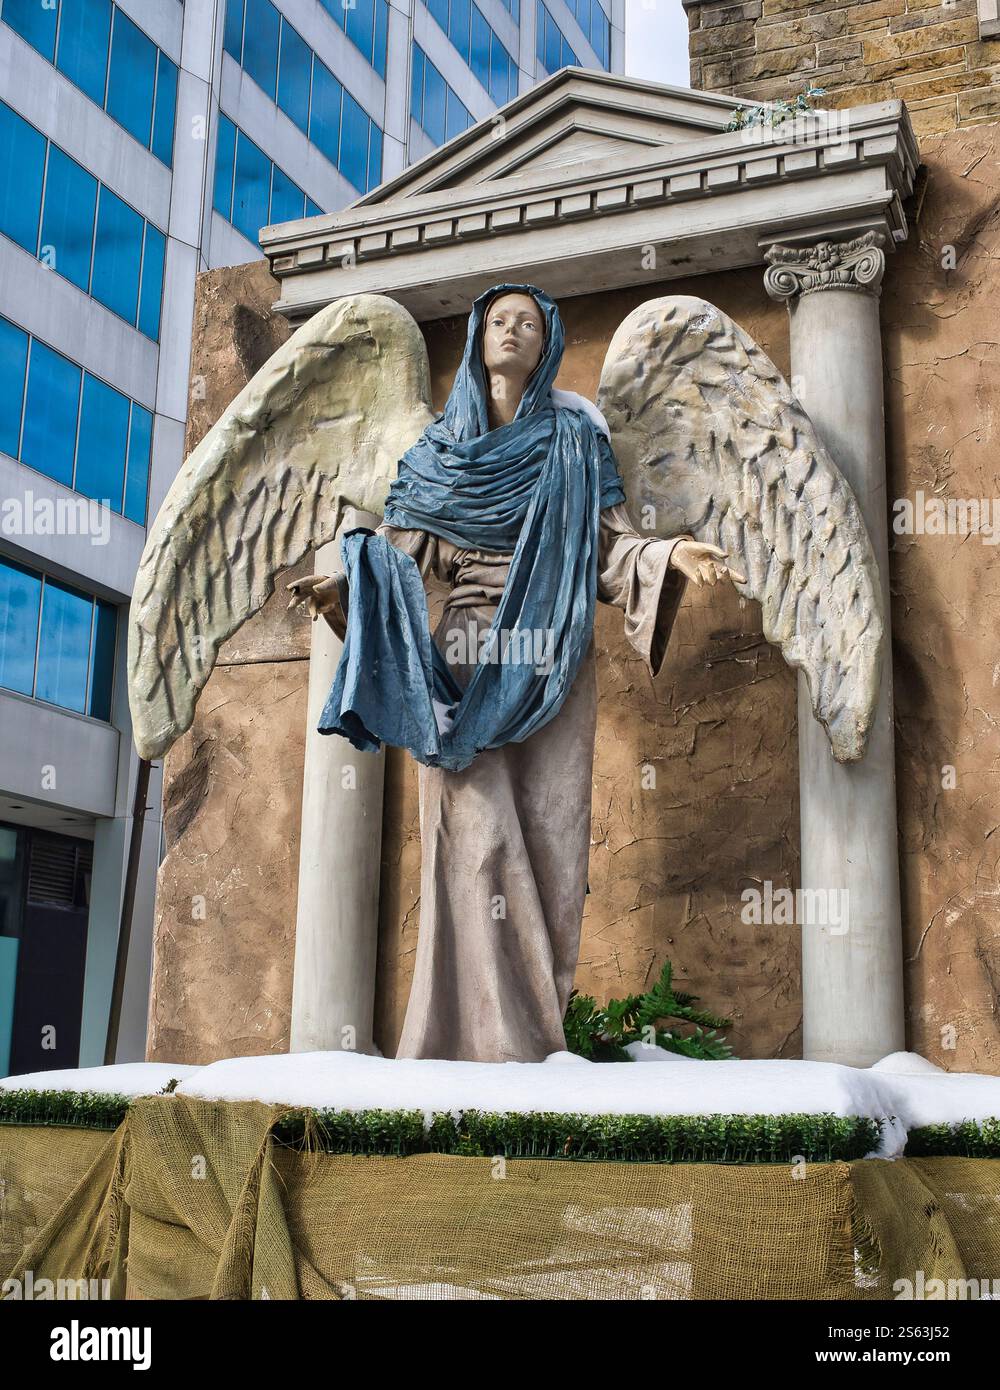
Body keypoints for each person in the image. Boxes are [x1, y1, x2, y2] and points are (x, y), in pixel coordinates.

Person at [288, 283, 743, 1063]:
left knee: (551, 846)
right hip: (463, 663)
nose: (511, 331)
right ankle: (475, 1046)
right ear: (477, 337)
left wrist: (670, 554)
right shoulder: (438, 449)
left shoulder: (575, 437)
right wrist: (345, 585)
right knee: (472, 836)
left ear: (548, 341)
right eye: (498, 321)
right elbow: (404, 552)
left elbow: (605, 549)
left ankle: (538, 1040)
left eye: (526, 323)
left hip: (553, 653)